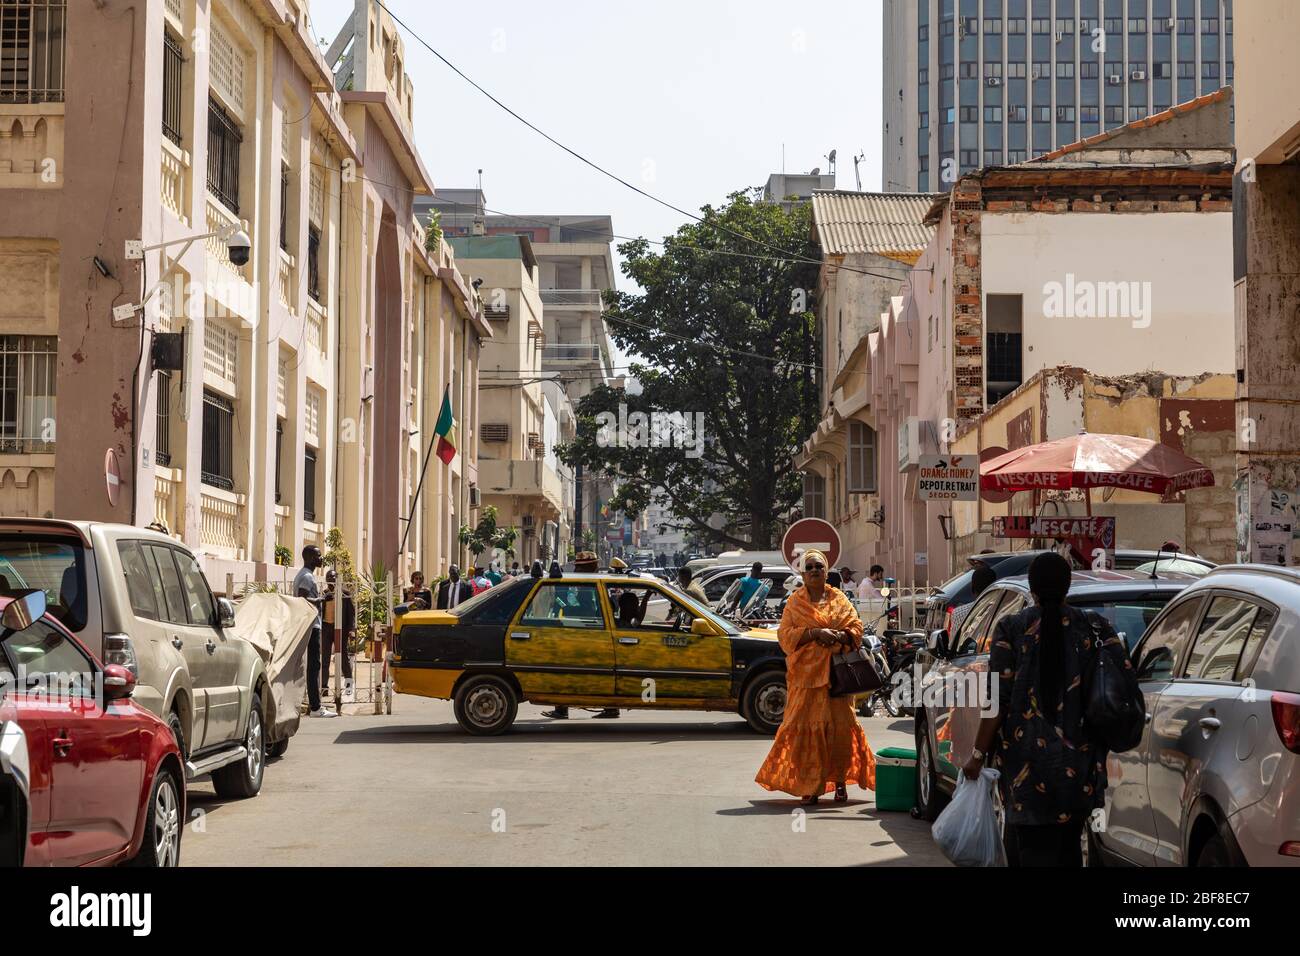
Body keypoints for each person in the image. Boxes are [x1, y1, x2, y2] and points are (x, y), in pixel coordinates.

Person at [961, 552, 1135, 867]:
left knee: (1029, 851)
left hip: (1025, 769)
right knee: (1069, 850)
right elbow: (1121, 685)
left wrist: (976, 756)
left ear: (1032, 587)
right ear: (1068, 586)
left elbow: (996, 702)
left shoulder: (1011, 629)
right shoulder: (1096, 628)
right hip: (1080, 768)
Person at [755, 550, 875, 804]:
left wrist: (839, 636)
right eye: (809, 567)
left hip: (836, 679)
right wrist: (814, 633)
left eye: (818, 566)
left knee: (841, 731)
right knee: (802, 731)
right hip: (805, 681)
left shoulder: (839, 598)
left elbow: (856, 627)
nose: (814, 570)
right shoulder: (795, 603)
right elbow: (785, 637)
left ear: (826, 570)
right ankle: (810, 786)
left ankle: (840, 782)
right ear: (802, 573)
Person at [294, 545, 336, 719]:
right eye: (318, 556)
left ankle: (315, 705)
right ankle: (315, 707)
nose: (321, 558)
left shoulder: (305, 575)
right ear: (310, 558)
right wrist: (321, 599)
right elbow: (301, 599)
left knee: (313, 666)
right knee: (314, 666)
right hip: (312, 625)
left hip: (311, 624)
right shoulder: (306, 576)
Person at [320, 569, 355, 700]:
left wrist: (351, 630)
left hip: (340, 629)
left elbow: (351, 614)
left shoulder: (345, 594)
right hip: (326, 628)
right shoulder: (324, 594)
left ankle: (349, 686)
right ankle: (324, 687)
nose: (331, 581)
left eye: (333, 578)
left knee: (343, 658)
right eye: (329, 578)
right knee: (325, 659)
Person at [948, 561, 997, 635]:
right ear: (995, 587)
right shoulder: (1002, 611)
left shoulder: (958, 613)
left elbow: (953, 643)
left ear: (972, 588)